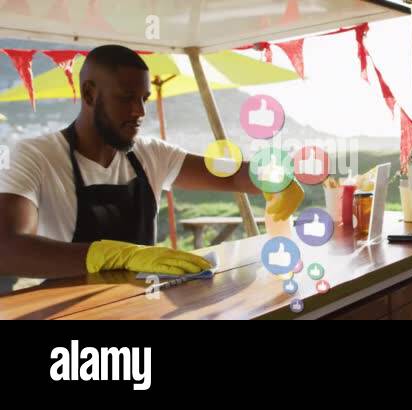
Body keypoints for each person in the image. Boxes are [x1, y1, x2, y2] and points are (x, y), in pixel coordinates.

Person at [0, 45, 303, 285]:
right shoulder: (35, 155)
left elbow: (233, 176)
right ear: (90, 93)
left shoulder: (150, 153)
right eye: (127, 97)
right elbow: (7, 249)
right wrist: (116, 254)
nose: (139, 111)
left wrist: (275, 177)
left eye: (144, 98)